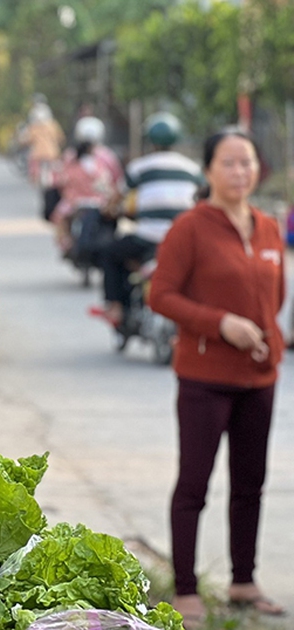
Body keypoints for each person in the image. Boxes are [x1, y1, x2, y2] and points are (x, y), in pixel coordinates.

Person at [150, 130, 286, 627]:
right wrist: (220, 324)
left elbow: (275, 297)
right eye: (229, 163)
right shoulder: (190, 228)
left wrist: (266, 336)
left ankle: (243, 581)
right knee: (194, 484)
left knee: (251, 483)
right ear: (208, 171)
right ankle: (186, 589)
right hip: (204, 378)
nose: (240, 172)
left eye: (247, 162)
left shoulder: (269, 228)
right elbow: (160, 295)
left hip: (259, 378)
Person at [100, 112, 201, 326]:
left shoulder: (139, 167)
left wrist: (109, 209)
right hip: (182, 241)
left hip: (146, 238)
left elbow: (116, 198)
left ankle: (116, 306)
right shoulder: (192, 169)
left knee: (109, 253)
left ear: (150, 141)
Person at [51, 116, 120, 253]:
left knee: (60, 217)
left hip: (73, 203)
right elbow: (117, 179)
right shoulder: (107, 156)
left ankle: (66, 244)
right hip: (101, 202)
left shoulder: (70, 156)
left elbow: (59, 179)